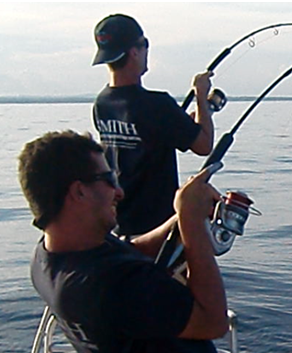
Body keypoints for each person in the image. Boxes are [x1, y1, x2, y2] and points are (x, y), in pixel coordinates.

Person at [17, 130, 238, 353]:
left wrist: (181, 217)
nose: (119, 191)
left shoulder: (53, 254)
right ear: (78, 191)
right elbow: (212, 320)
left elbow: (132, 249)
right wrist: (192, 221)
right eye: (108, 180)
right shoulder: (103, 282)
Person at [91, 13, 215, 237]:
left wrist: (183, 120)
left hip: (118, 227)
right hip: (156, 231)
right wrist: (201, 95)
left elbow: (146, 133)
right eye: (144, 44)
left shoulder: (103, 103)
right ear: (134, 51)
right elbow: (204, 145)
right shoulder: (158, 104)